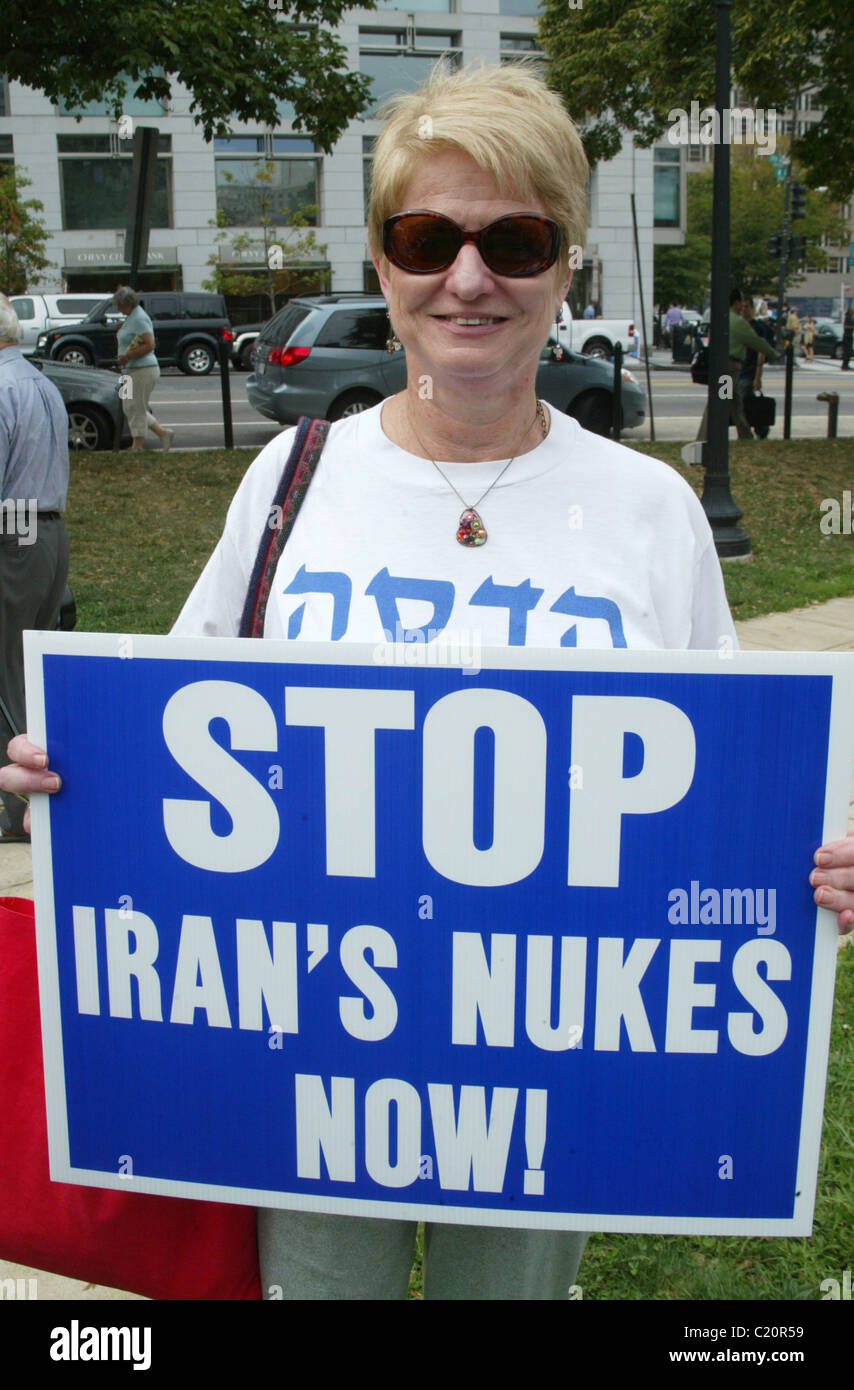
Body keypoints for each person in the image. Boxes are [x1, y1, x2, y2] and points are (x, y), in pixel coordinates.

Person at [4, 61, 854, 1298]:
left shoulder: (647, 511)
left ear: (564, 266)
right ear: (383, 262)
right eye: (426, 237)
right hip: (312, 1071)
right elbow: (164, 720)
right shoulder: (291, 479)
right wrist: (74, 774)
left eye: (512, 239)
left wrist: (815, 857)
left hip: (543, 1082)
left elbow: (721, 804)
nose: (468, 278)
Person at [0, 294, 70, 841]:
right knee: (28, 668)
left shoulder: (2, 387)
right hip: (47, 528)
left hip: (13, 528)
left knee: (6, 671)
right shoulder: (40, 382)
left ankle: (14, 809)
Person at [696, 288, 782, 441]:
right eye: (741, 301)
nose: (742, 305)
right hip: (729, 367)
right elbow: (755, 341)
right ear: (735, 302)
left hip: (721, 366)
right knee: (721, 402)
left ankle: (744, 435)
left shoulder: (721, 318)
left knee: (732, 402)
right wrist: (775, 354)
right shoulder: (737, 322)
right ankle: (706, 438)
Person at [113, 286, 174, 452]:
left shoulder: (139, 318)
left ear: (127, 304)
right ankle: (162, 433)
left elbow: (149, 344)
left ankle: (137, 446)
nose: (117, 308)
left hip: (142, 369)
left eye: (119, 305)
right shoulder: (131, 317)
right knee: (129, 407)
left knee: (136, 406)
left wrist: (128, 356)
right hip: (129, 370)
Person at [841, 305, 853, 370]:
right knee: (847, 351)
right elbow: (846, 326)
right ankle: (844, 365)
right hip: (847, 336)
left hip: (849, 336)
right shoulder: (848, 317)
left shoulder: (850, 317)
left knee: (848, 352)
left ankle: (846, 365)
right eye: (852, 310)